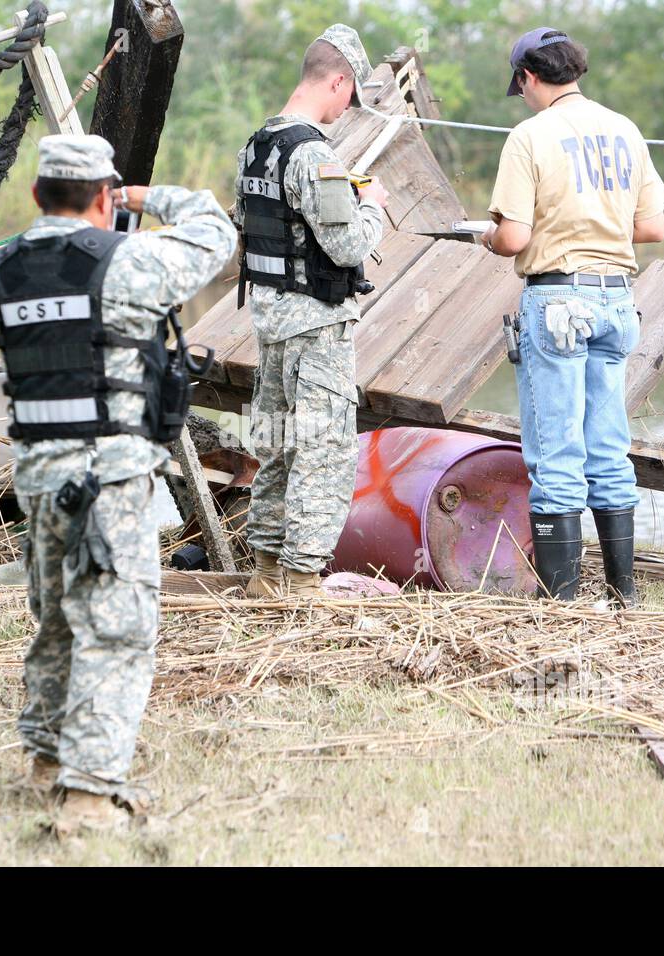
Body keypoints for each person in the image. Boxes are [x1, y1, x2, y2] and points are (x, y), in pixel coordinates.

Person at [0, 134, 236, 833]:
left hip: (35, 477)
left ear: (35, 196)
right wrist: (152, 201)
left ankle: (48, 761)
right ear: (104, 198)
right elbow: (215, 233)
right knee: (114, 629)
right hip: (109, 480)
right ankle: (87, 795)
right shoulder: (130, 262)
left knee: (56, 616)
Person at [481, 28, 664, 606]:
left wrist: (487, 235)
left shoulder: (529, 136)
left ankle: (561, 603)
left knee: (556, 452)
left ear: (528, 78)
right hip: (617, 299)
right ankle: (624, 595)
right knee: (608, 447)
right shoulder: (625, 128)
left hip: (558, 300)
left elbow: (513, 238)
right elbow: (652, 228)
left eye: (522, 87)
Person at [234, 23, 389, 600]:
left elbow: (246, 225)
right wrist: (369, 206)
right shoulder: (313, 153)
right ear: (338, 79)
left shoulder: (256, 145)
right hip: (317, 328)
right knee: (322, 454)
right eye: (351, 92)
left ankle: (266, 575)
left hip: (270, 326)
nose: (349, 105)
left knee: (274, 445)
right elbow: (348, 247)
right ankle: (300, 583)